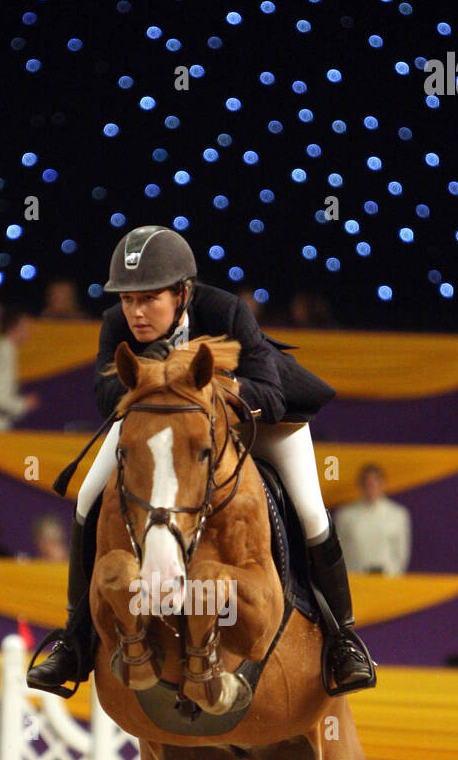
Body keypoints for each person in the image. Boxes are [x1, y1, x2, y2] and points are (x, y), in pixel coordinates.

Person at [27, 224, 375, 698]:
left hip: (258, 423)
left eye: (148, 299)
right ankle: (75, 637)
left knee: (312, 512)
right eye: (128, 301)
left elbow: (270, 393)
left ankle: (342, 640)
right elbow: (106, 392)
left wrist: (208, 397)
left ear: (183, 293)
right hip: (159, 427)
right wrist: (160, 387)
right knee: (87, 498)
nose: (136, 312)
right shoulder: (115, 324)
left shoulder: (225, 310)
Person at [335, 464, 412, 576]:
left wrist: (394, 574)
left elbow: (402, 551)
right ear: (361, 485)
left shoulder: (398, 515)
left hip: (388, 579)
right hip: (356, 578)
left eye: (375, 483)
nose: (371, 488)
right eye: (367, 484)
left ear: (382, 485)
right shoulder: (345, 515)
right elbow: (340, 549)